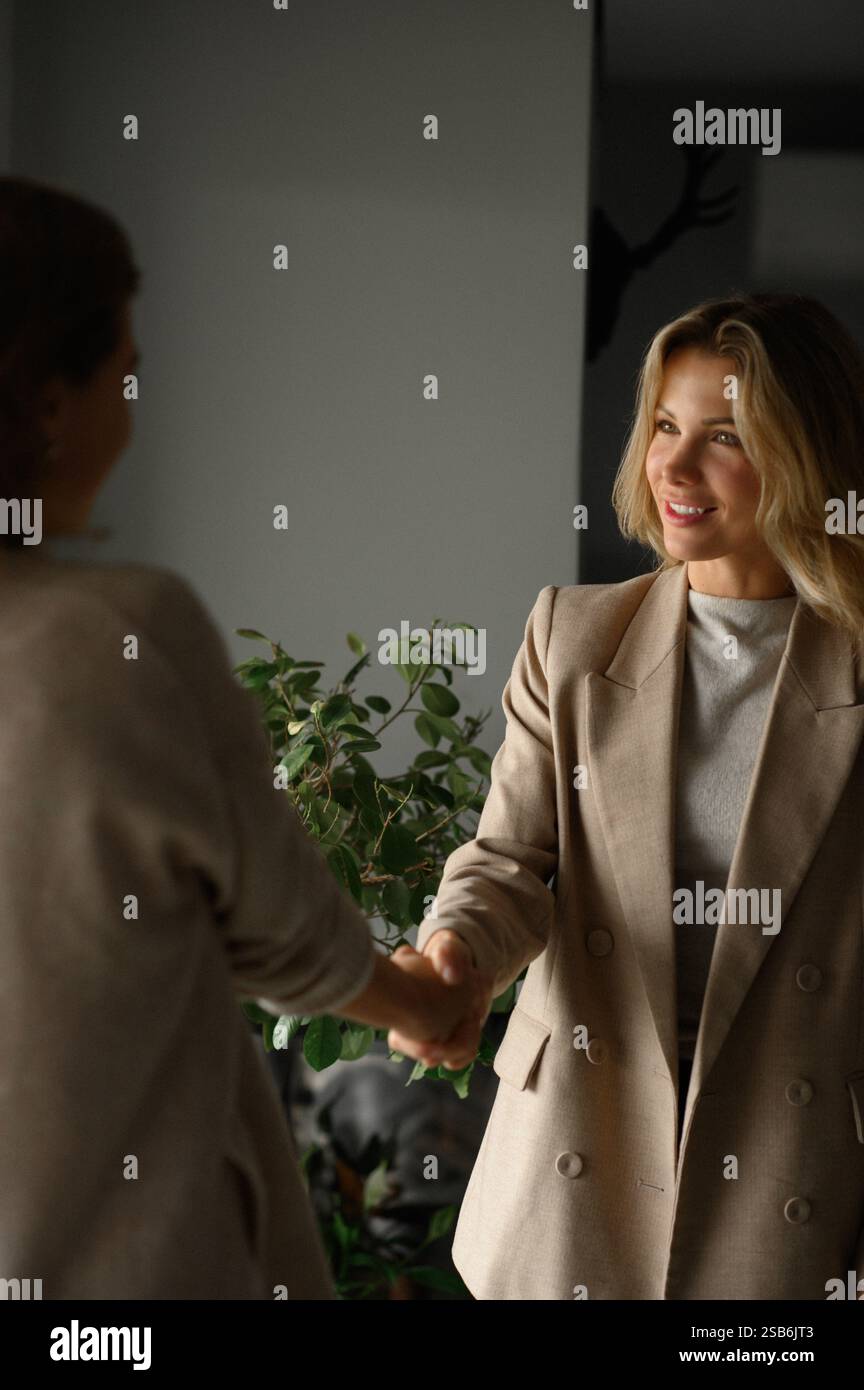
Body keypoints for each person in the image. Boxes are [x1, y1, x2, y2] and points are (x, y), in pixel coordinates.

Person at [0, 175, 485, 1300]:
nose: (135, 381)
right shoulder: (115, 635)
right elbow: (285, 933)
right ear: (48, 399)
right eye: (124, 356)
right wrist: (419, 1004)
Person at [394, 291, 864, 1300]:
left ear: (805, 453)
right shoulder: (574, 637)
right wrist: (457, 951)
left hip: (791, 1169)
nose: (674, 468)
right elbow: (511, 862)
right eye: (663, 425)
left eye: (724, 436)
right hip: (580, 1155)